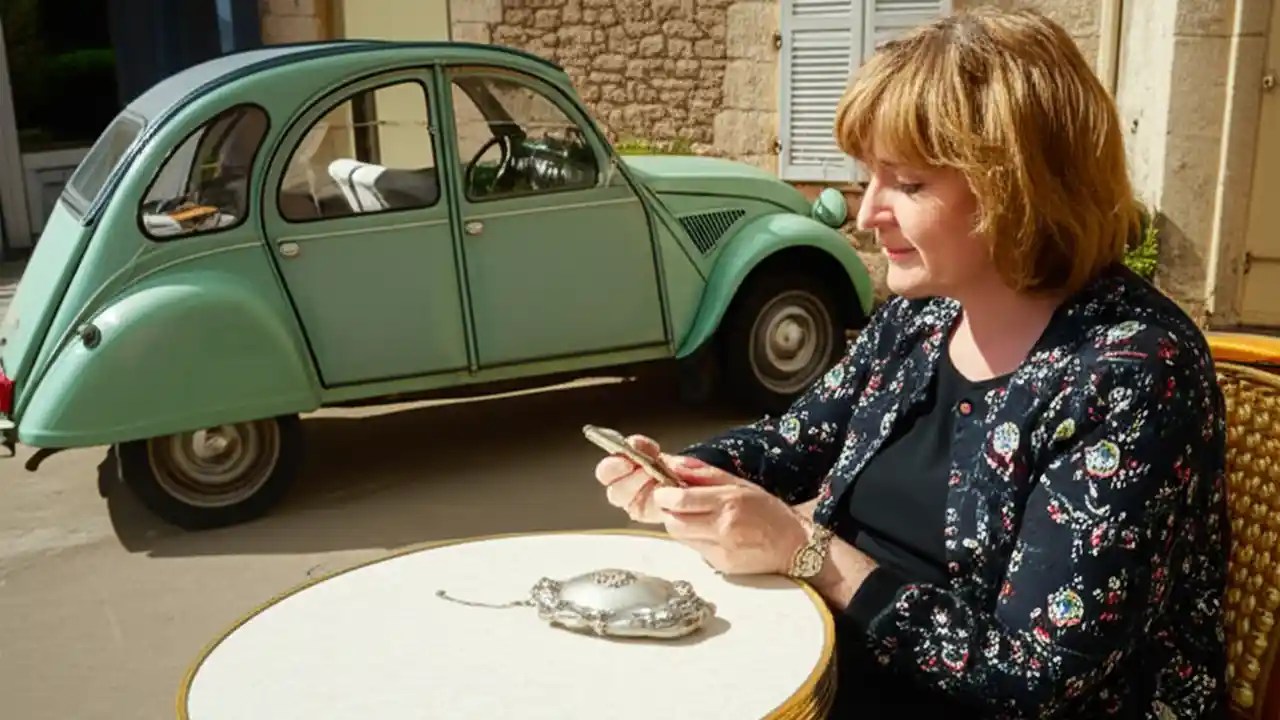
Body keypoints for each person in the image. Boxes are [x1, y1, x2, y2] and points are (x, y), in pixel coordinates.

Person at [593, 7, 1230, 719]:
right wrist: (682, 473)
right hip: (834, 671)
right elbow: (793, 444)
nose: (867, 214)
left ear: (1020, 189)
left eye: (909, 184)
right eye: (869, 177)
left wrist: (807, 550)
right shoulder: (925, 313)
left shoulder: (1133, 370)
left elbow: (1033, 679)